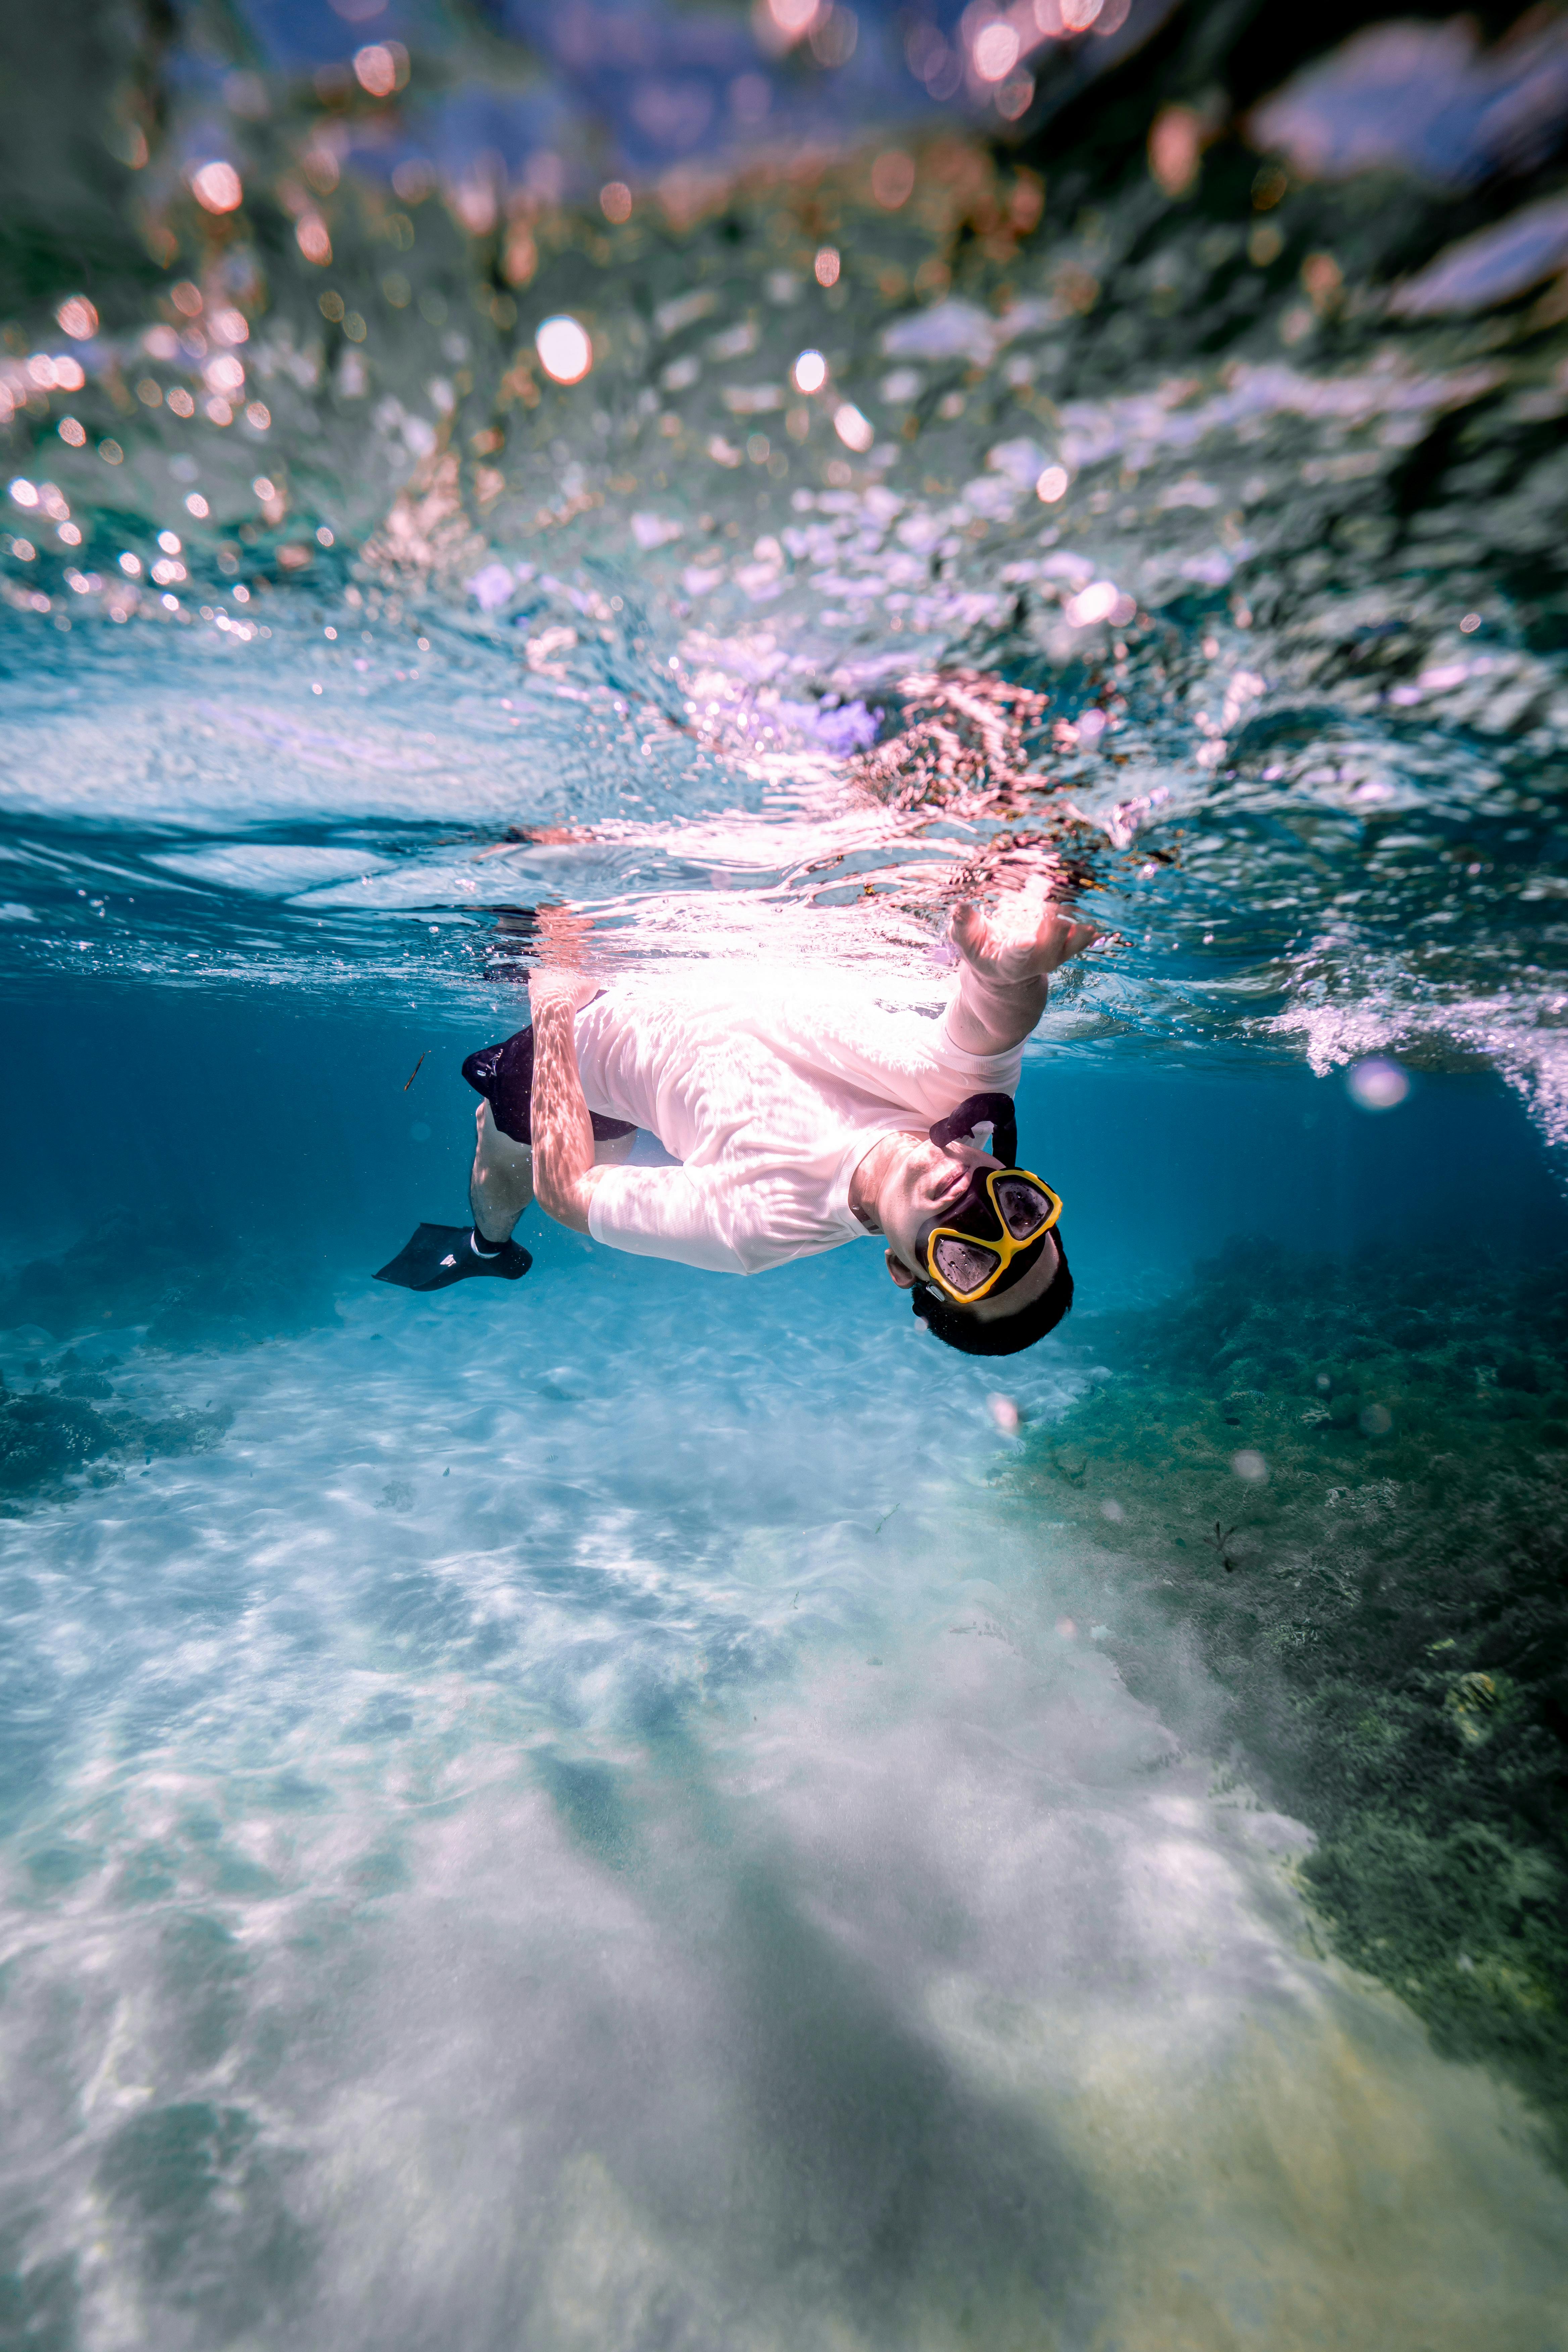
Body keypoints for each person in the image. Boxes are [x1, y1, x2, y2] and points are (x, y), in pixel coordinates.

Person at [376, 886, 1095, 1358]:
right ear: (1020, 1181)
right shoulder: (956, 1098)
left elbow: (568, 1194)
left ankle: (485, 1244)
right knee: (595, 1142)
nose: (973, 1215)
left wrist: (557, 994)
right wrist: (1008, 972)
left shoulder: (760, 1226)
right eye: (1019, 1215)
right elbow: (990, 1019)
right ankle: (546, 1183)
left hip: (578, 1041)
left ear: (902, 1270)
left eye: (966, 1261)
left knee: (506, 1162)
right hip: (632, 1050)